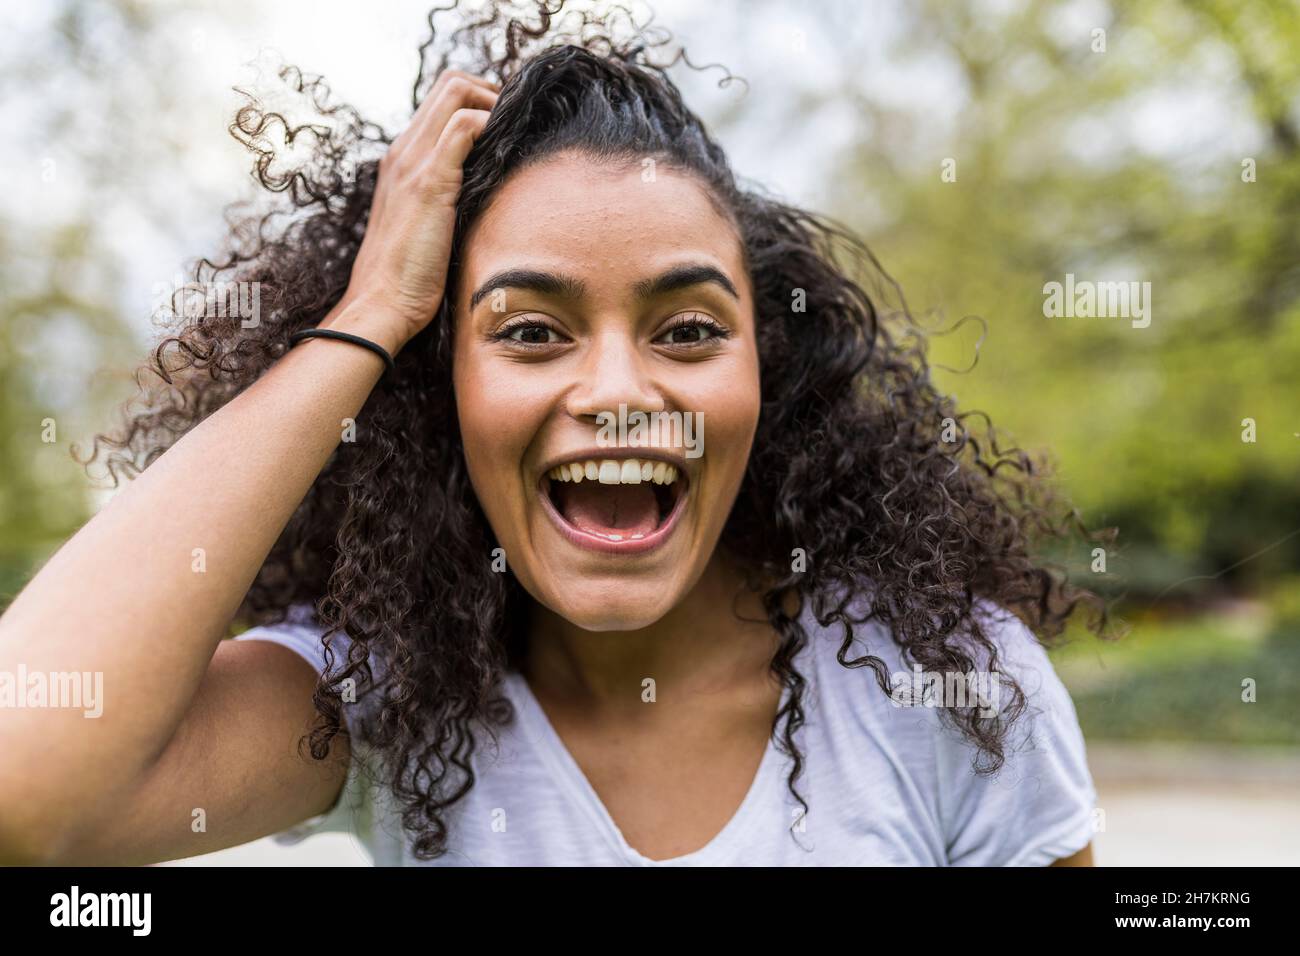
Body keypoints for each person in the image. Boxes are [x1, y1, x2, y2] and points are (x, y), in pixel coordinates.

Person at [0, 1, 1108, 866]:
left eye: (686, 329)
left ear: (769, 378)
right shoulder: (395, 696)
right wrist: (370, 314)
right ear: (442, 394)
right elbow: (23, 780)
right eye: (530, 330)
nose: (619, 389)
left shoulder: (946, 684)